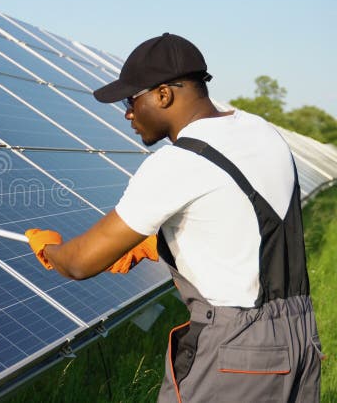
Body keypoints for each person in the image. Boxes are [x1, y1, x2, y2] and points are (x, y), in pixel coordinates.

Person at [25, 33, 322, 402]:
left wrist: (53, 250)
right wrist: (160, 245)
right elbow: (244, 221)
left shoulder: (177, 163)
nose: (128, 114)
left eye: (132, 100)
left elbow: (81, 263)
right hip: (300, 338)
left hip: (237, 355)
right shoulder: (261, 132)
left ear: (163, 94)